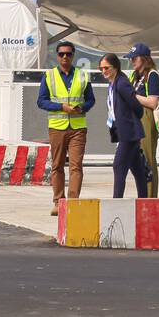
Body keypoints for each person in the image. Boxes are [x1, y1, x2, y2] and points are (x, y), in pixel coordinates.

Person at [37, 41, 95, 215]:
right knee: (57, 165)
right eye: (61, 54)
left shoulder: (82, 75)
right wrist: (61, 107)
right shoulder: (49, 76)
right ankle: (58, 202)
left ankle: (73, 202)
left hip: (78, 127)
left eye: (68, 54)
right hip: (57, 127)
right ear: (57, 56)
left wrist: (82, 108)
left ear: (73, 55)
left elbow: (90, 99)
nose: (65, 57)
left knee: (76, 166)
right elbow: (41, 101)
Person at [100, 53, 149, 198]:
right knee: (137, 169)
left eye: (106, 68)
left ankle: (117, 202)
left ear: (115, 67)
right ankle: (144, 200)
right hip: (124, 132)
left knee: (119, 166)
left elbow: (136, 106)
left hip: (129, 133)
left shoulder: (121, 83)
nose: (104, 71)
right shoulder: (113, 83)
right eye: (101, 69)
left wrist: (132, 122)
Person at [128, 42, 159, 197]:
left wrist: (133, 96)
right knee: (136, 159)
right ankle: (142, 194)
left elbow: (152, 102)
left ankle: (150, 197)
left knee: (148, 159)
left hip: (146, 117)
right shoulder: (134, 77)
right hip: (134, 117)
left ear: (143, 59)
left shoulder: (152, 76)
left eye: (134, 58)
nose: (132, 61)